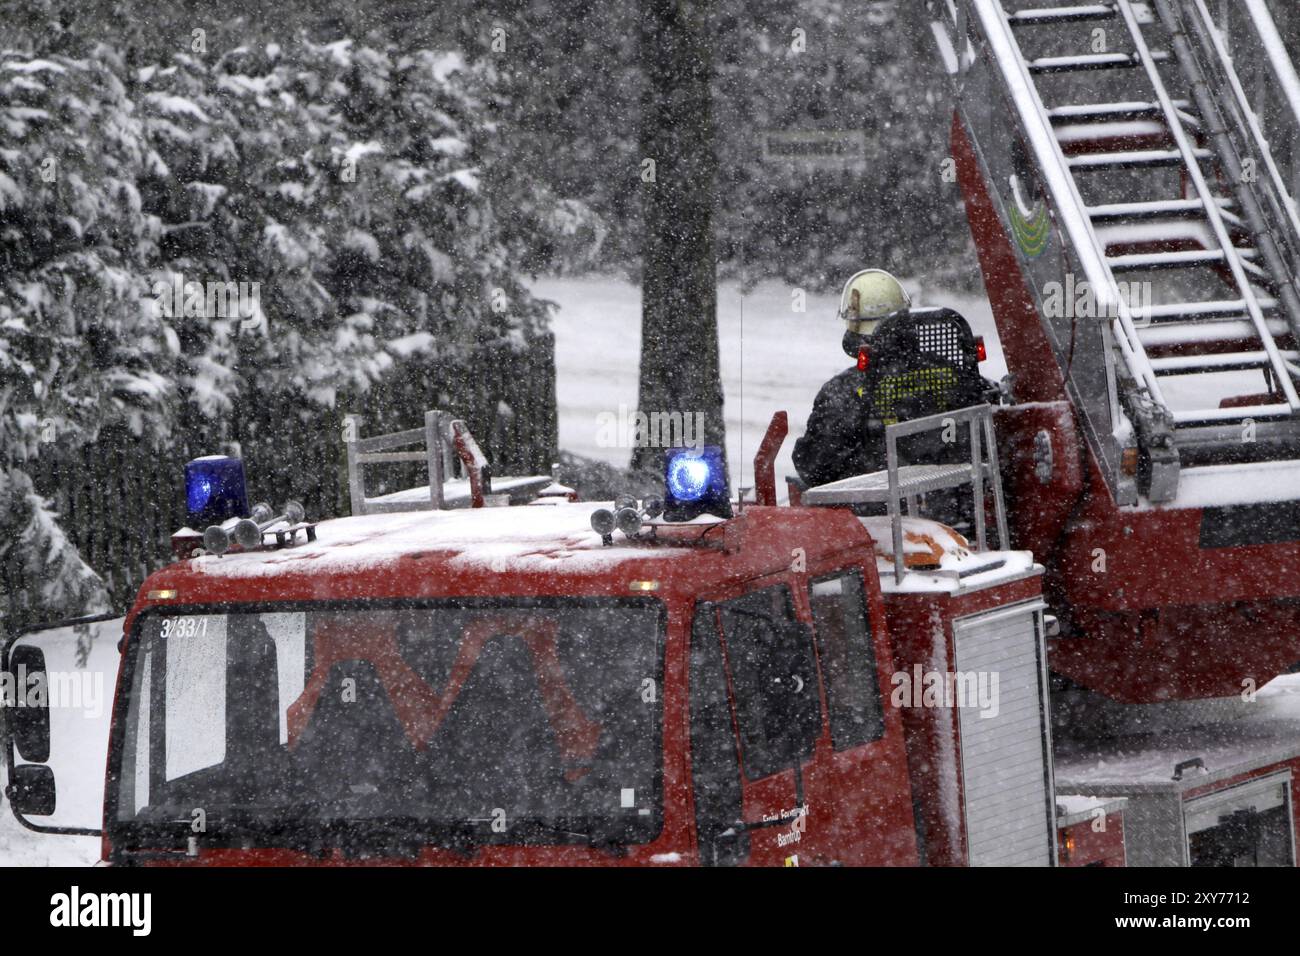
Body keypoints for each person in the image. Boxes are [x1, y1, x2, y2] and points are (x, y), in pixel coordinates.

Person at [793, 269, 989, 492]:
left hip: (882, 513)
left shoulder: (844, 391)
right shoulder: (954, 374)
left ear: (855, 326)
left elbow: (815, 467)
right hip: (960, 500)